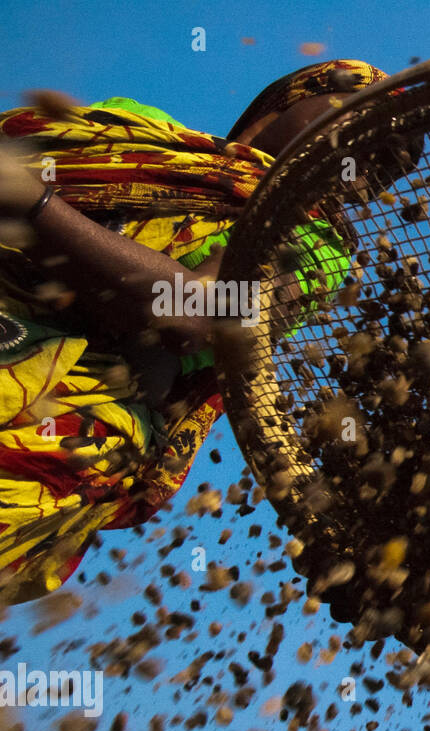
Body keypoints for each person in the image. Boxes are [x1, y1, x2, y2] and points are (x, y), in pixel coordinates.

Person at [0, 60, 390, 605]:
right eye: (363, 116)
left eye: (389, 161)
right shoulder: (132, 127)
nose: (372, 157)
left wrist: (35, 209)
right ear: (294, 95)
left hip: (64, 418)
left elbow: (193, 317)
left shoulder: (317, 245)